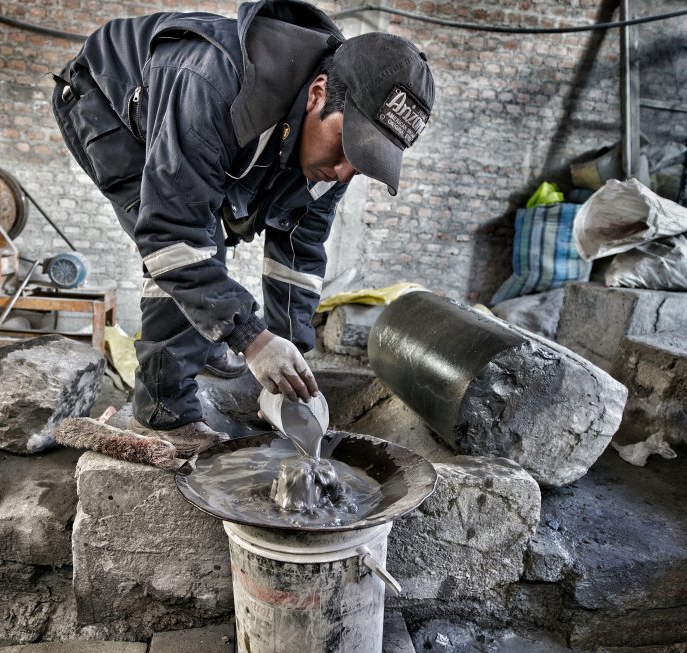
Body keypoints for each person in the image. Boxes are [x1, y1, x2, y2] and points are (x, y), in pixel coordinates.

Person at [52, 0, 435, 455]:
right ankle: (164, 412)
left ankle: (207, 330)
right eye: (349, 146)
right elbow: (172, 235)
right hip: (107, 102)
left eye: (366, 161)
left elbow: (299, 253)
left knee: (214, 265)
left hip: (216, 122)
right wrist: (251, 339)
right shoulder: (210, 83)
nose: (346, 172)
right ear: (318, 93)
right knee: (191, 246)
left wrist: (287, 355)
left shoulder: (332, 159)